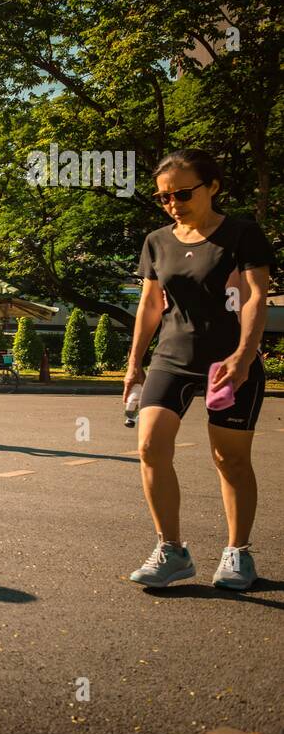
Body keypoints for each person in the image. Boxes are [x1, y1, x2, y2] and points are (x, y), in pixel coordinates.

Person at [123, 149, 274, 590]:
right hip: (171, 358)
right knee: (150, 447)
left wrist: (244, 356)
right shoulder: (157, 241)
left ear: (213, 187)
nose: (173, 203)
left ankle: (237, 553)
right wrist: (134, 364)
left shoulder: (243, 235)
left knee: (230, 459)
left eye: (183, 193)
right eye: (164, 197)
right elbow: (150, 305)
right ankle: (171, 550)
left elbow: (254, 298)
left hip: (229, 362)